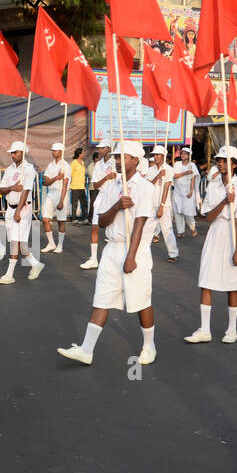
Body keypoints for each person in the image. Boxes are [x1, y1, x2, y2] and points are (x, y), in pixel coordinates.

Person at [57, 140, 155, 366]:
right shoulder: (111, 185)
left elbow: (140, 224)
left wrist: (131, 257)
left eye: (123, 157)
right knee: (101, 297)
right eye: (117, 157)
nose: (118, 161)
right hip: (112, 248)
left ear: (136, 160)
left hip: (135, 249)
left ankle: (149, 346)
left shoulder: (145, 187)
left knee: (140, 300)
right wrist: (117, 206)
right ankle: (86, 349)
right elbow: (101, 221)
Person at [186, 146, 237, 344]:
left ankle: (232, 329)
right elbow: (207, 217)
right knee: (206, 281)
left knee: (232, 285)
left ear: (234, 163)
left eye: (225, 160)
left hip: (234, 233)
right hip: (215, 233)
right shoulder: (214, 185)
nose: (220, 163)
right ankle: (205, 329)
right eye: (219, 159)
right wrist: (225, 201)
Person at [0, 140, 43, 284]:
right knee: (18, 242)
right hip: (10, 209)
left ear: (22, 153)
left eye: (15, 152)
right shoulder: (9, 169)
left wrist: (18, 211)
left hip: (22, 209)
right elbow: (1, 189)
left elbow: (26, 191)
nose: (12, 155)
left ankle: (9, 275)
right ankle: (36, 264)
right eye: (11, 152)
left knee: (15, 242)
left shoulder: (29, 169)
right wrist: (12, 188)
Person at [81, 140, 115, 270]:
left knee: (113, 229)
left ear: (109, 148)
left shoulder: (115, 162)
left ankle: (114, 260)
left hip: (113, 197)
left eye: (102, 148)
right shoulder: (97, 165)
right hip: (101, 197)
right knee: (94, 227)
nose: (99, 150)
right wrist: (106, 178)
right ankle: (94, 258)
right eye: (99, 148)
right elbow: (95, 185)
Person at [40, 142, 71, 254]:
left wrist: (62, 200)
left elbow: (65, 184)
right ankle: (51, 243)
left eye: (55, 150)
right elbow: (46, 182)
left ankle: (60, 245)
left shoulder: (66, 166)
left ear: (61, 151)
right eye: (52, 150)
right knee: (45, 219)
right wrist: (57, 177)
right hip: (51, 193)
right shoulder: (50, 165)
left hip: (61, 193)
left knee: (61, 220)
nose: (53, 152)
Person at [172, 147, 200, 237]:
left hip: (188, 191)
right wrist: (185, 173)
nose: (183, 155)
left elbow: (193, 178)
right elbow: (174, 176)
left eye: (185, 153)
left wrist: (191, 191)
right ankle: (180, 231)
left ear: (189, 155)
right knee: (178, 211)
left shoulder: (192, 165)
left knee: (188, 211)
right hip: (178, 191)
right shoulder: (177, 164)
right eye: (182, 153)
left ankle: (192, 227)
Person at [70, 147, 88, 224]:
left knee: (84, 203)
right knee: (75, 204)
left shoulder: (82, 162)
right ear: (79, 154)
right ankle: (74, 219)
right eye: (83, 153)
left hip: (82, 186)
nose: (84, 154)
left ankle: (84, 219)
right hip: (75, 186)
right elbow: (69, 173)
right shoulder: (74, 163)